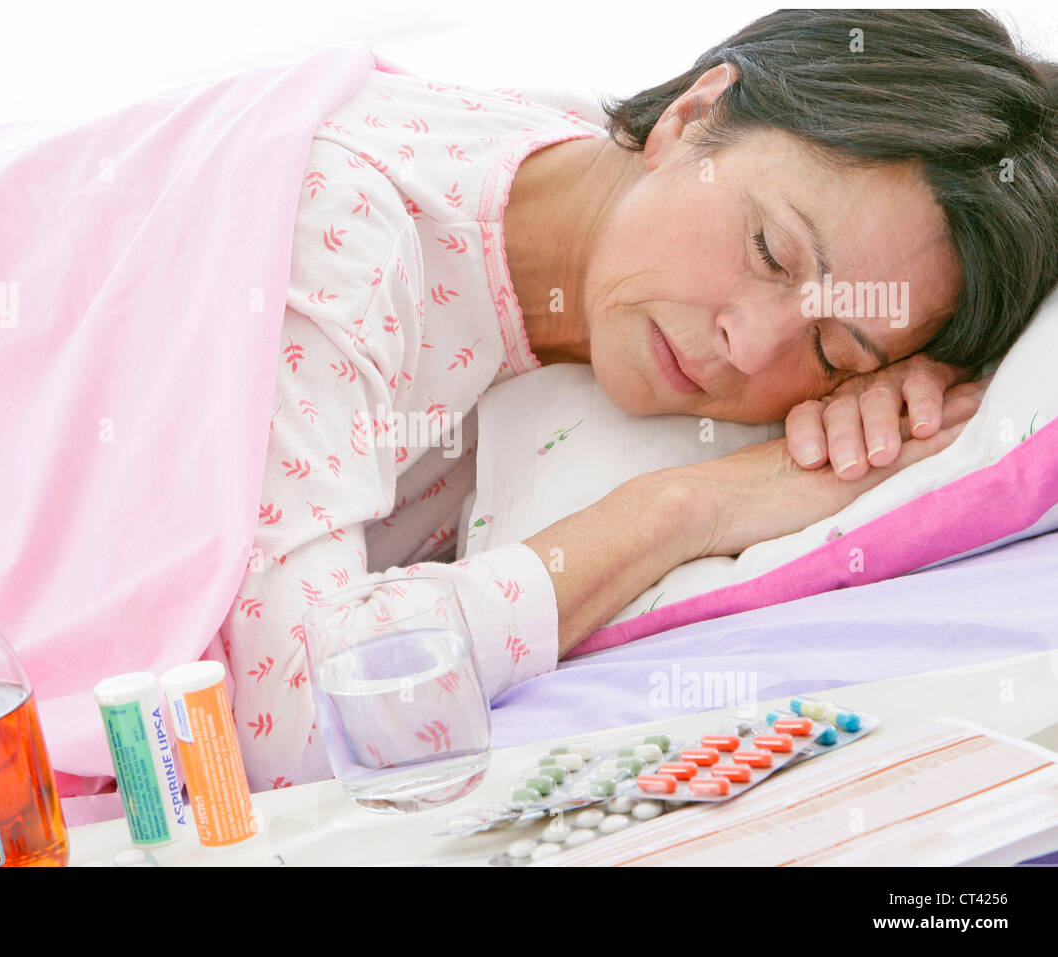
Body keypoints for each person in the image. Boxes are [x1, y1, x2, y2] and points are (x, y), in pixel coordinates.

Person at [218, 9, 1058, 790]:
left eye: (832, 348)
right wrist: (682, 510)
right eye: (770, 251)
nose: (754, 345)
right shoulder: (351, 234)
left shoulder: (585, 238)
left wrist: (899, 389)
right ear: (692, 115)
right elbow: (312, 727)